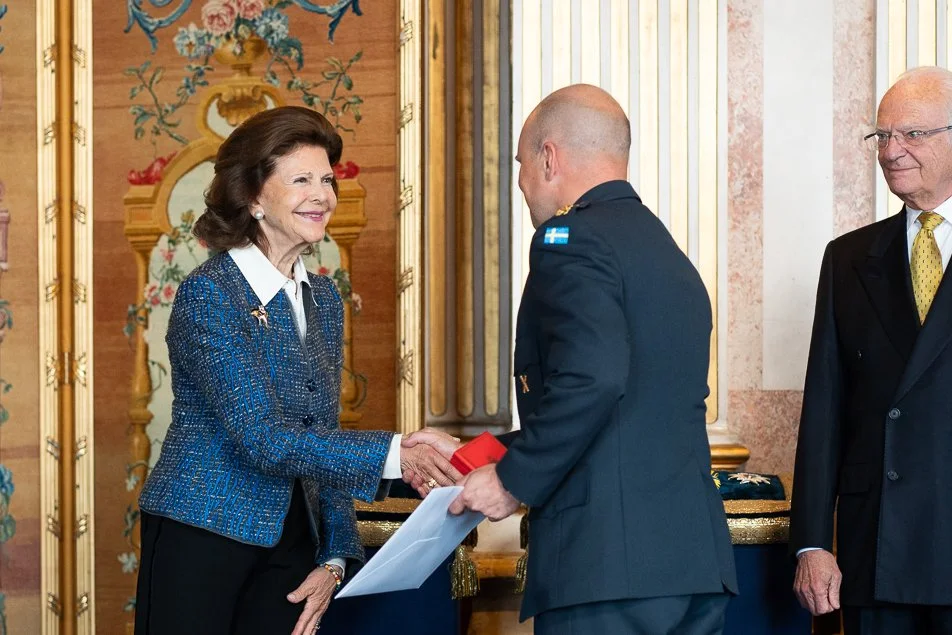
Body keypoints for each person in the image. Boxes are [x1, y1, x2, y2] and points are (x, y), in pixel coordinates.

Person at [409, 84, 737, 634]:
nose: (520, 182)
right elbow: (621, 414)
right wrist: (473, 457)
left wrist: (511, 480)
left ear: (548, 157)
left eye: (520, 164)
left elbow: (592, 380)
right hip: (692, 566)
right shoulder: (667, 253)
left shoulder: (570, 238)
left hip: (605, 569)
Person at [134, 106, 460, 635]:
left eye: (327, 180)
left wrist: (334, 557)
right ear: (253, 197)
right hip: (201, 533)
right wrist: (399, 452)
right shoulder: (208, 295)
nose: (322, 195)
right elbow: (263, 438)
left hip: (292, 542)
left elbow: (319, 432)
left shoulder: (324, 298)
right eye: (302, 180)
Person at [791, 65, 952, 635]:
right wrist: (812, 542)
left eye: (913, 134)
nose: (890, 151)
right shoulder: (848, 258)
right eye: (882, 135)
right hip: (877, 548)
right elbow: (824, 410)